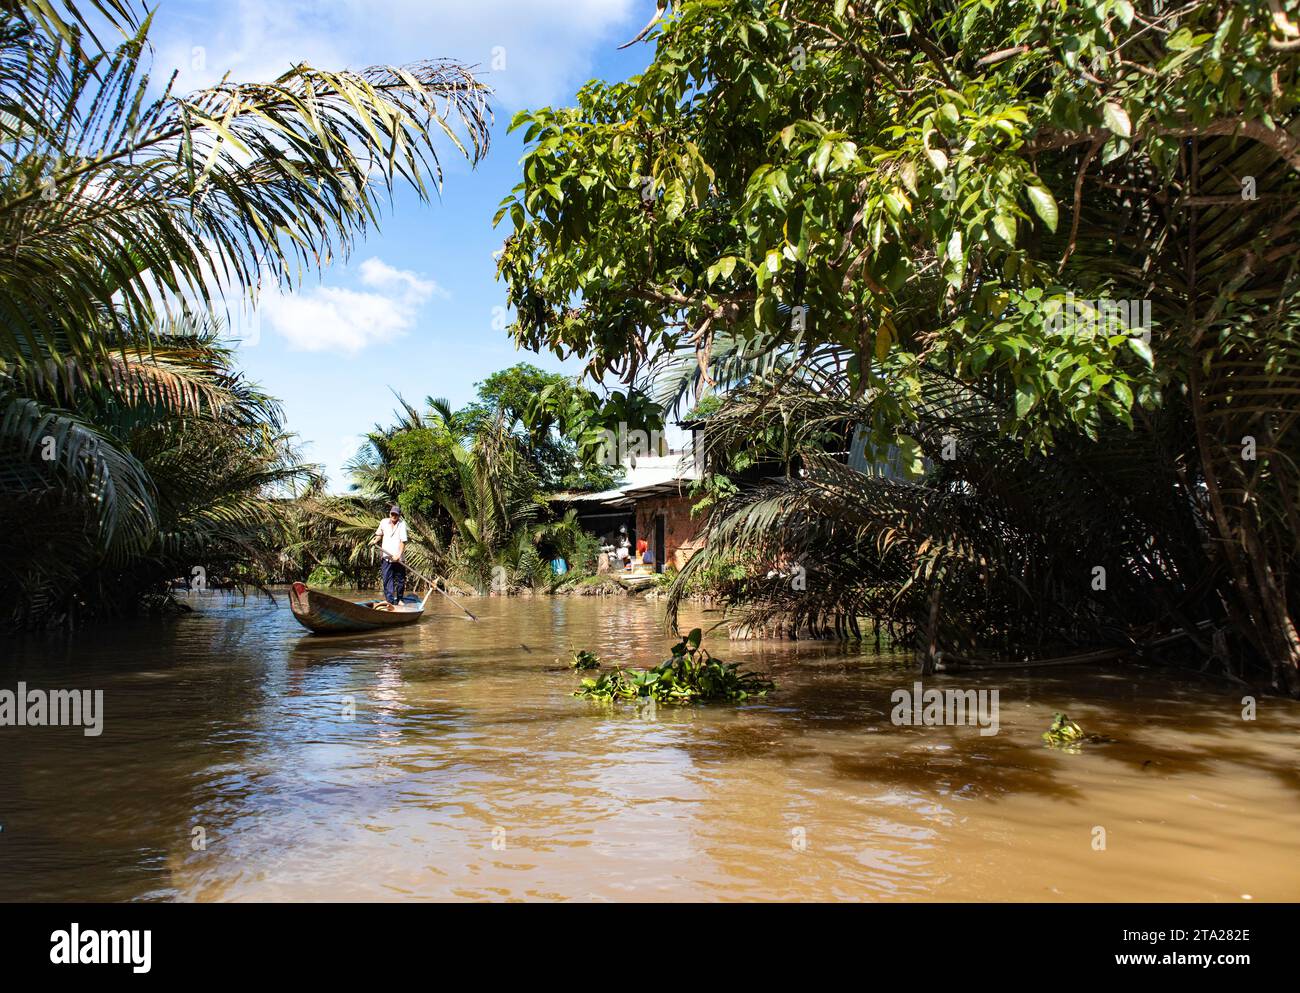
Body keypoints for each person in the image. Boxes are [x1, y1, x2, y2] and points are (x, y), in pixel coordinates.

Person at [372, 504, 408, 605]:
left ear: (399, 515)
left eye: (396, 515)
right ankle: (390, 601)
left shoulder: (402, 524)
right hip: (386, 557)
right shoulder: (383, 522)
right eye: (392, 514)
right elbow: (379, 534)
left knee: (400, 580)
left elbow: (403, 541)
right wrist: (375, 540)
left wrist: (398, 555)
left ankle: (400, 599)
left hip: (398, 558)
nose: (393, 516)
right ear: (390, 513)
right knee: (387, 580)